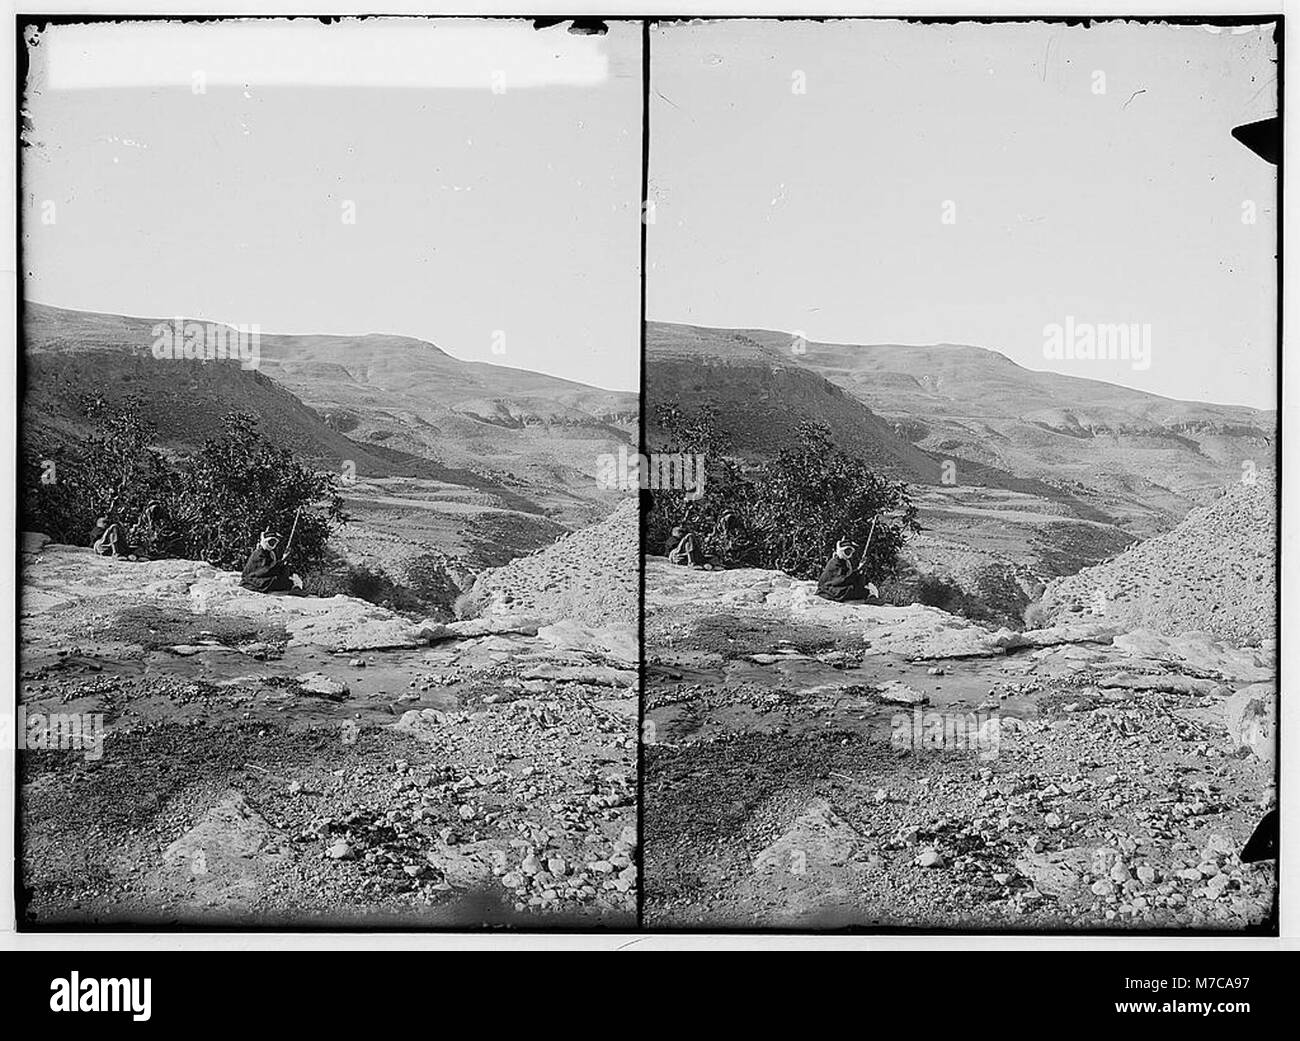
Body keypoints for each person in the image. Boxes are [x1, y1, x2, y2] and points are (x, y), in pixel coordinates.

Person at [816, 537, 880, 603]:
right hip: (828, 589)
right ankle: (868, 597)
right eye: (847, 552)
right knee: (855, 591)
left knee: (860, 586)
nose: (849, 554)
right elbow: (841, 580)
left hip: (837, 586)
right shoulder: (834, 563)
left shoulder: (845, 562)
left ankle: (870, 596)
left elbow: (848, 576)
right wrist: (858, 570)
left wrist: (860, 573)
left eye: (850, 552)